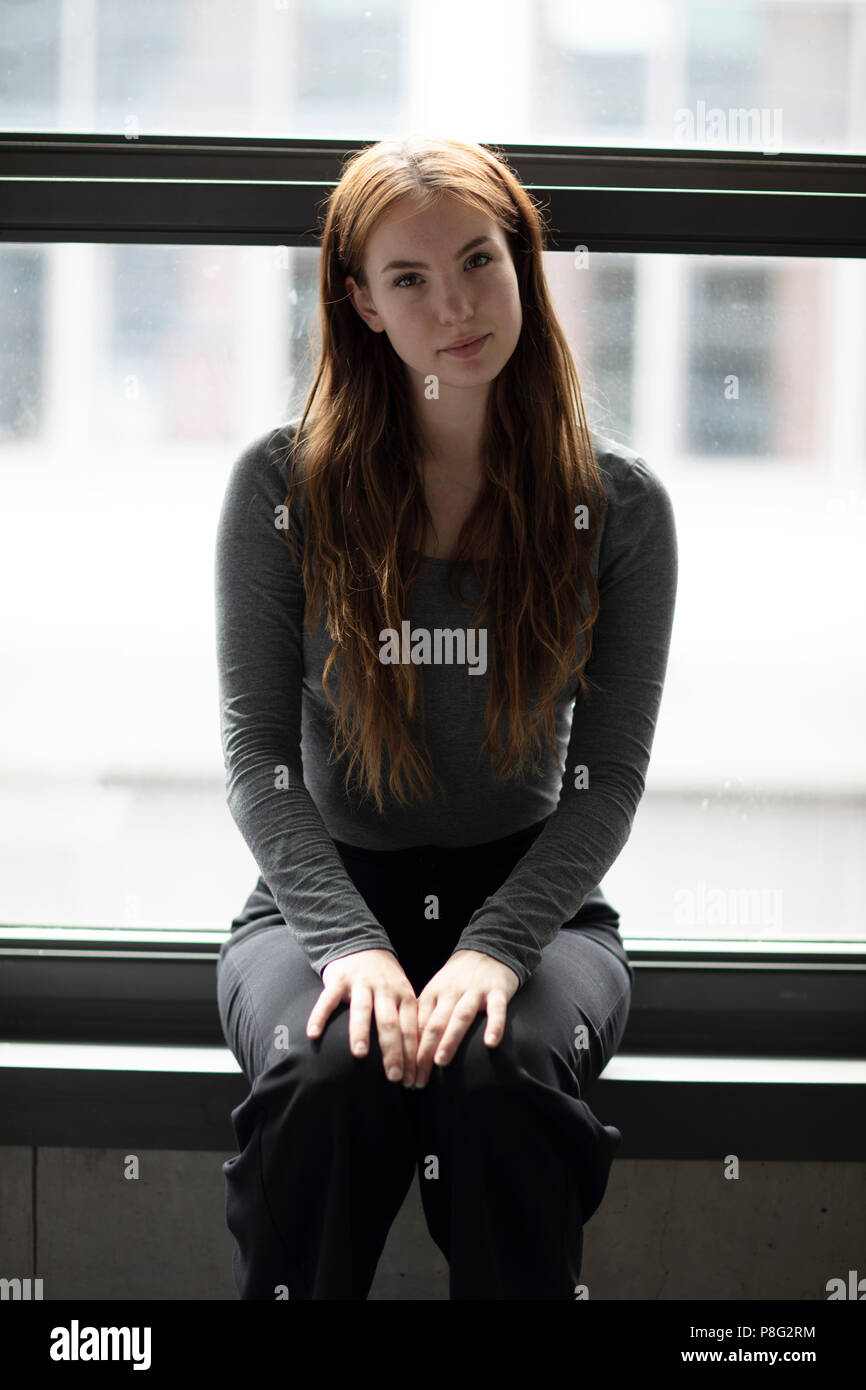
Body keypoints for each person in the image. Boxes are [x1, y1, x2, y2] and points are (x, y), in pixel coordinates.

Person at [214, 135, 678, 1301]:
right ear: (359, 303)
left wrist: (494, 944)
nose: (455, 305)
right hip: (320, 896)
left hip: (538, 896)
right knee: (325, 1085)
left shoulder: (617, 509)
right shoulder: (279, 488)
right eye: (408, 278)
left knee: (501, 1081)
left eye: (477, 260)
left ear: (522, 262)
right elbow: (259, 763)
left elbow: (603, 785)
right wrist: (350, 941)